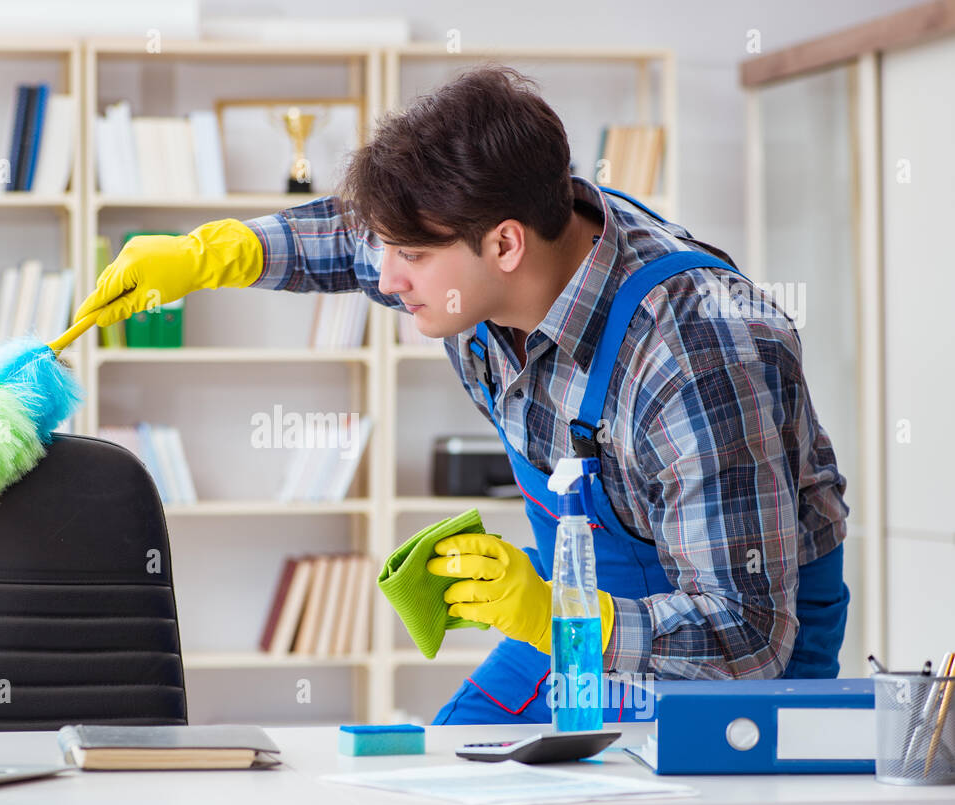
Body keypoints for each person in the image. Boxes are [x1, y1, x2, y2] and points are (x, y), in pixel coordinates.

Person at [72, 65, 850, 725]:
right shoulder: (481, 258)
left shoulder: (691, 355)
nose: (384, 277)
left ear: (505, 245)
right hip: (568, 619)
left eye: (409, 254)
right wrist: (219, 254)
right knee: (436, 799)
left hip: (723, 665)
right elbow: (358, 241)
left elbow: (748, 638)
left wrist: (553, 613)